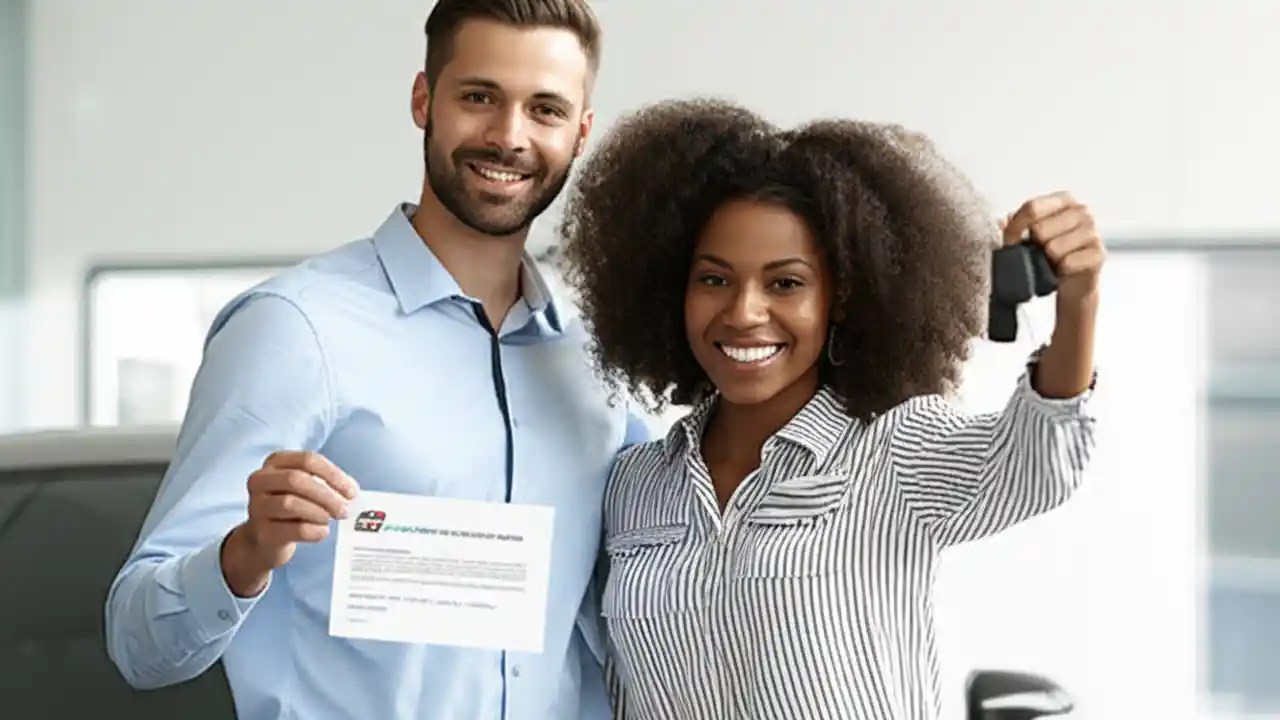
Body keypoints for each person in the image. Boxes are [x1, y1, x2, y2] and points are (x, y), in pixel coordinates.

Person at [105, 2, 649, 718]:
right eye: (479, 97)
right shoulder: (295, 330)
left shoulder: (600, 367)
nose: (509, 136)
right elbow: (138, 642)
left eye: (544, 109)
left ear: (580, 133)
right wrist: (246, 550)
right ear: (424, 99)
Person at [558, 99, 1102, 720]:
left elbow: (1038, 460)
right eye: (714, 279)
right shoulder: (636, 485)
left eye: (785, 283)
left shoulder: (895, 451)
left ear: (840, 299)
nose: (743, 312)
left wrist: (1079, 302)